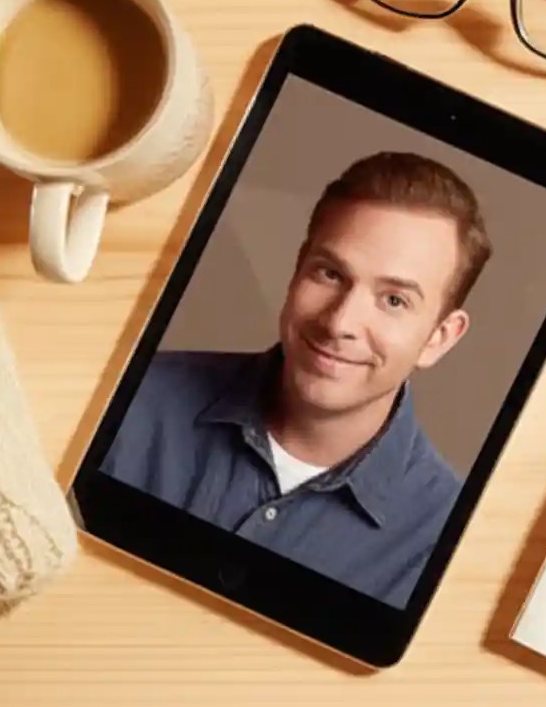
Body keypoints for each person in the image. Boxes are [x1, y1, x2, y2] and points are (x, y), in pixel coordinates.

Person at [100, 151, 493, 608]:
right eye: (330, 274)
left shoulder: (448, 540)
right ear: (297, 269)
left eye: (393, 301)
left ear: (439, 339)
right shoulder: (131, 392)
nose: (340, 322)